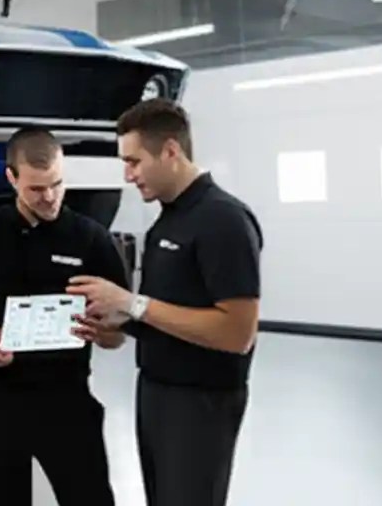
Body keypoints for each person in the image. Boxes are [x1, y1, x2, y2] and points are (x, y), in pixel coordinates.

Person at [67, 98, 263, 506]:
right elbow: (164, 311)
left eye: (134, 161)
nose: (128, 174)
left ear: (171, 151)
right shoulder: (168, 219)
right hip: (156, 393)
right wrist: (117, 323)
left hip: (200, 404)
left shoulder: (222, 220)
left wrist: (133, 304)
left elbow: (237, 332)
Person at [0, 127, 129, 506]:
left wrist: (102, 332)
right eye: (36, 189)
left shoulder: (92, 240)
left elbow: (118, 335)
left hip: (68, 398)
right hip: (0, 400)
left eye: (57, 184)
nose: (50, 197)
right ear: (11, 178)